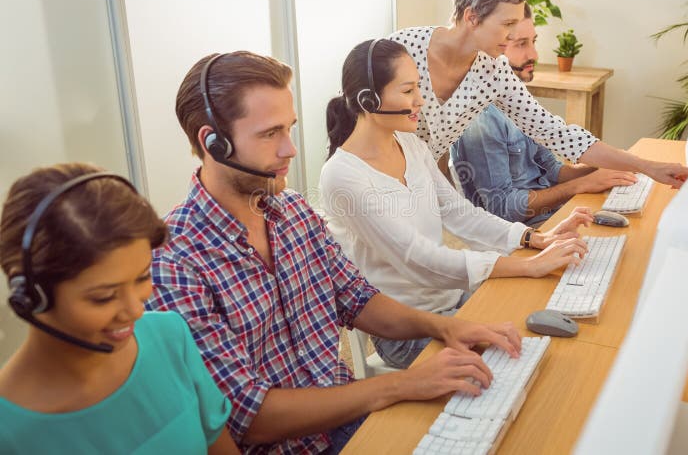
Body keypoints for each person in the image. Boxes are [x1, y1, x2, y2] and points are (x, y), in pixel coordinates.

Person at [147, 51, 524, 454]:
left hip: (349, 419)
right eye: (270, 134)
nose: (290, 149)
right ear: (213, 143)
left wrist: (444, 327)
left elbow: (359, 300)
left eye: (289, 129)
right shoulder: (175, 262)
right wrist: (401, 384)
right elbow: (249, 417)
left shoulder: (292, 212)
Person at [320, 38, 593, 368]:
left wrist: (534, 239)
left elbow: (458, 212)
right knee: (518, 359)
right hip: (406, 331)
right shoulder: (342, 176)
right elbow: (418, 257)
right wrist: (527, 265)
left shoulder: (409, 143)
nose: (421, 100)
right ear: (368, 100)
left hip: (453, 299)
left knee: (541, 322)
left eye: (419, 88)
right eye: (408, 91)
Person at [0, 163, 237, 454]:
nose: (135, 310)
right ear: (31, 296)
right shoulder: (8, 431)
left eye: (143, 277)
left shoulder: (170, 337)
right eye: (103, 297)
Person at [389, 0, 688, 186]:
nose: (511, 37)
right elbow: (353, 125)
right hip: (369, 186)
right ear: (472, 17)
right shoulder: (400, 49)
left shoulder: (494, 72)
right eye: (506, 24)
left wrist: (648, 167)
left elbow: (559, 134)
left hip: (420, 187)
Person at [451, 4, 639, 226]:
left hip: (553, 215)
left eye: (533, 42)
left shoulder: (517, 99)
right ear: (494, 46)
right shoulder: (481, 119)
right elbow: (503, 209)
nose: (534, 54)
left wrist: (604, 169)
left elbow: (552, 170)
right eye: (521, 44)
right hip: (523, 232)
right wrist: (581, 185)